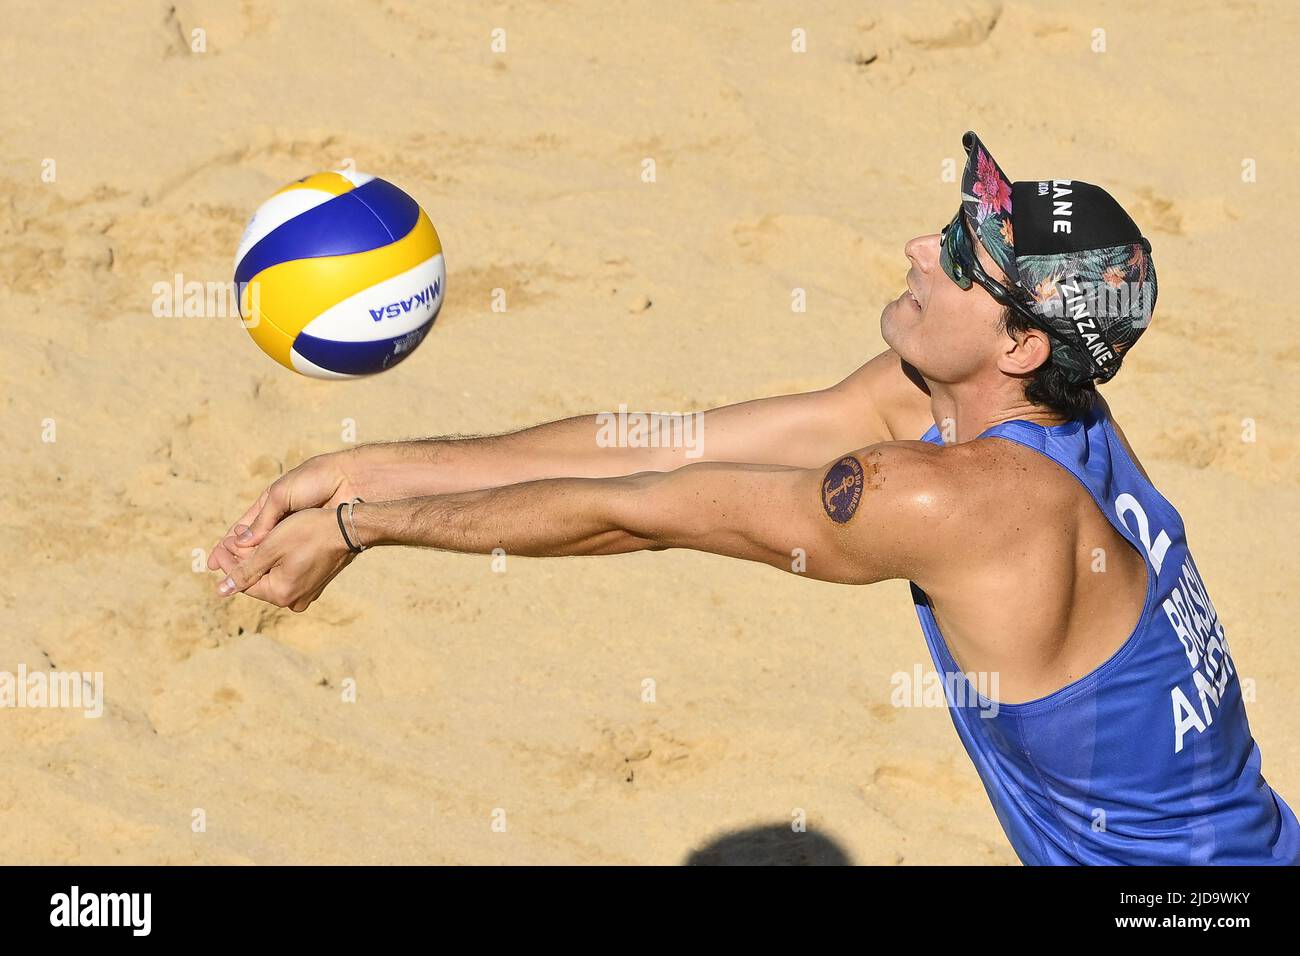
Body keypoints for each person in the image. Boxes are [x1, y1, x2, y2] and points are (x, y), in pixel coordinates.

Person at [209, 132, 1299, 865]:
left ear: (1018, 340)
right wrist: (374, 467)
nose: (924, 247)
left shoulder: (959, 500)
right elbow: (665, 444)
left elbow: (644, 510)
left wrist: (364, 529)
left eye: (964, 254)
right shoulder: (1000, 407)